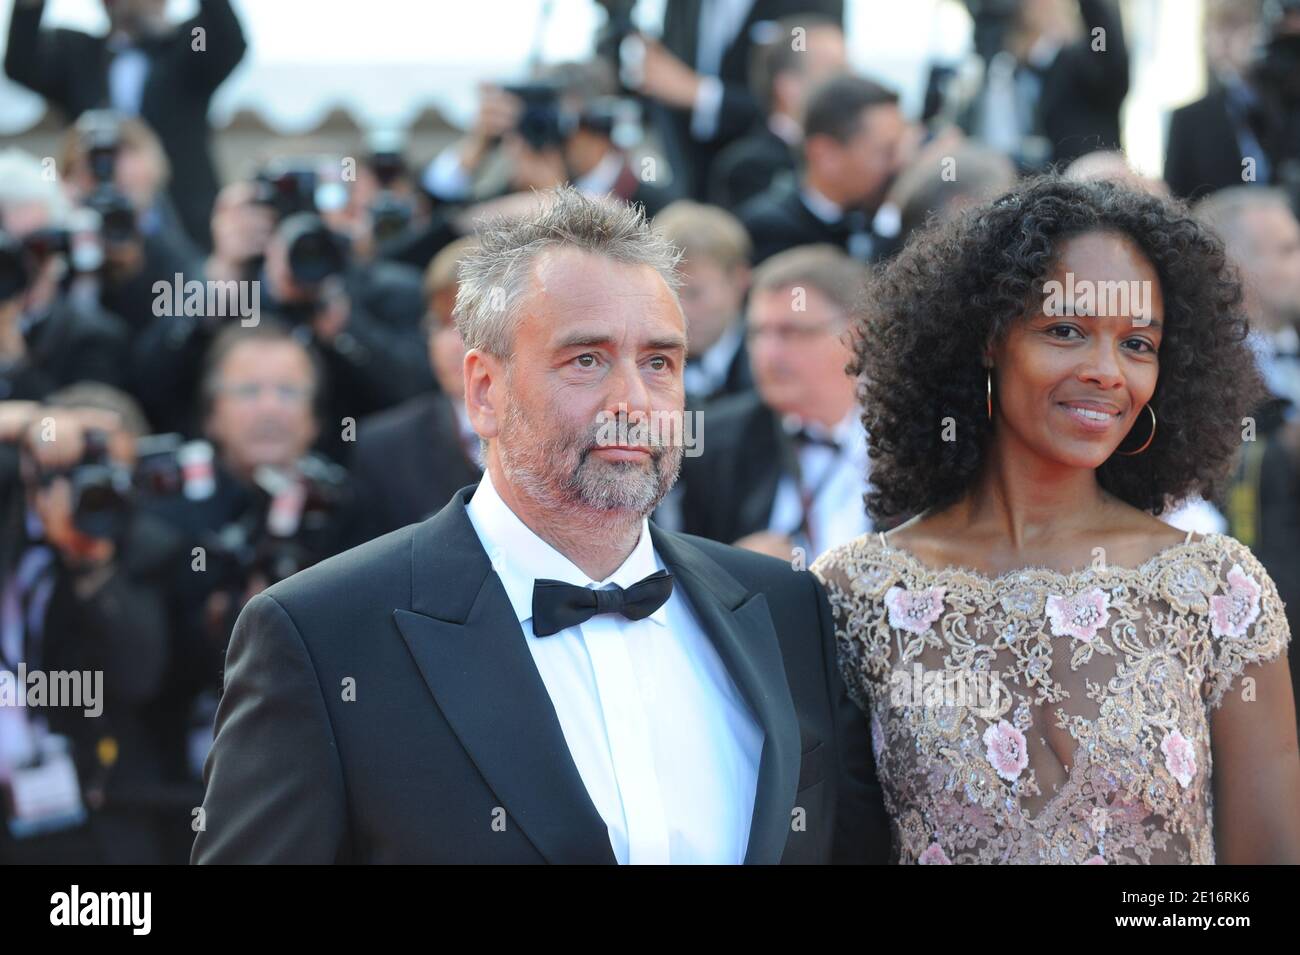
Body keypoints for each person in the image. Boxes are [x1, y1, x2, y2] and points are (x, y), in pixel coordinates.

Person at [191, 186, 887, 864]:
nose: (632, 400)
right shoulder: (324, 635)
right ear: (484, 393)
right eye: (586, 359)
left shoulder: (786, 608)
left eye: (659, 362)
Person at [812, 176, 1300, 864]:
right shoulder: (857, 594)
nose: (1107, 371)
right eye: (1066, 330)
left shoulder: (1217, 589)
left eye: (1138, 343)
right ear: (988, 338)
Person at [3, 0, 247, 251]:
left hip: (184, 229)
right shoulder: (77, 54)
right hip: (94, 230)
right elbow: (21, 62)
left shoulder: (189, 48)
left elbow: (227, 39)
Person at [678, 244, 871, 561]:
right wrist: (731, 570)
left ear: (856, 335)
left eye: (790, 332)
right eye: (757, 334)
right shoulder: (715, 443)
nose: (767, 355)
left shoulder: (916, 436)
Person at [349, 237, 484, 539]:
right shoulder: (384, 448)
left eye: (468, 324)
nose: (453, 344)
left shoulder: (555, 434)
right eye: (439, 324)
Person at [738, 74, 910, 265]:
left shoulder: (867, 218)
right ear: (826, 155)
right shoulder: (770, 231)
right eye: (885, 152)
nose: (898, 164)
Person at [707, 14, 848, 209]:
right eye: (836, 72)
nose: (850, 84)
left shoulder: (850, 156)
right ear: (789, 87)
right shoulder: (748, 167)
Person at [652, 200, 755, 405]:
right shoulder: (642, 369)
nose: (681, 311)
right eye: (669, 294)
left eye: (694, 293)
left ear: (739, 282)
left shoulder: (769, 371)